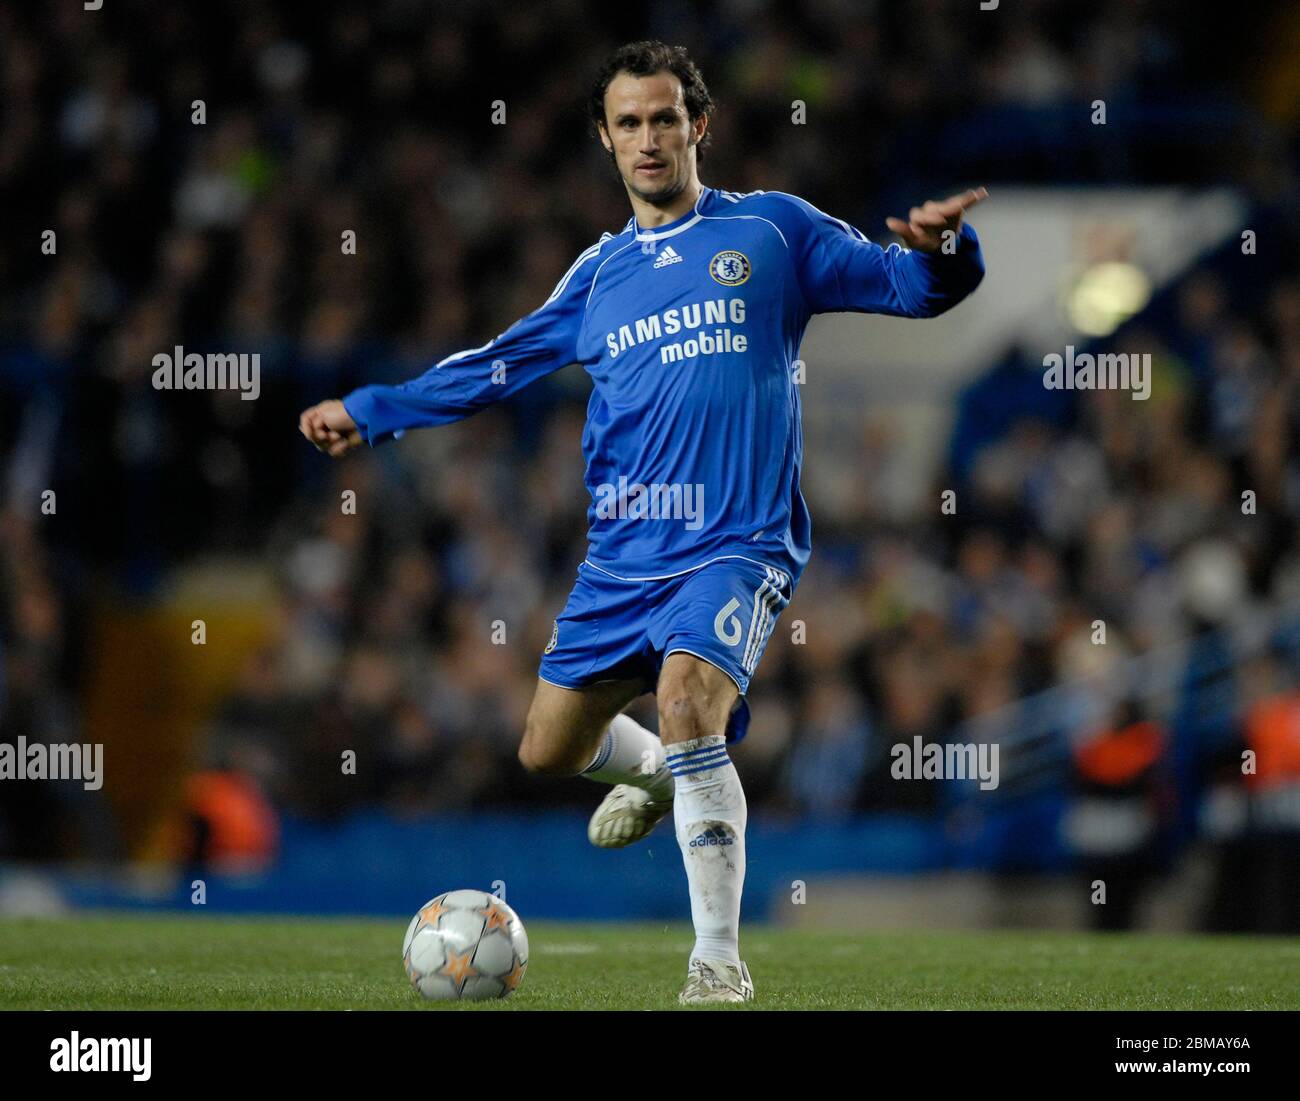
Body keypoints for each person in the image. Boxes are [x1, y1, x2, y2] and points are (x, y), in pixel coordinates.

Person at [299, 39, 987, 1003]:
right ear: (606, 139)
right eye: (629, 122)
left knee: (688, 697)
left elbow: (909, 289)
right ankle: (663, 774)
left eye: (666, 118)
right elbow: (495, 366)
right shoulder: (597, 276)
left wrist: (946, 249)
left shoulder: (773, 232)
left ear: (699, 126)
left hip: (739, 542)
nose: (649, 137)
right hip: (622, 556)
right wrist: (373, 411)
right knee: (546, 746)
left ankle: (717, 961)